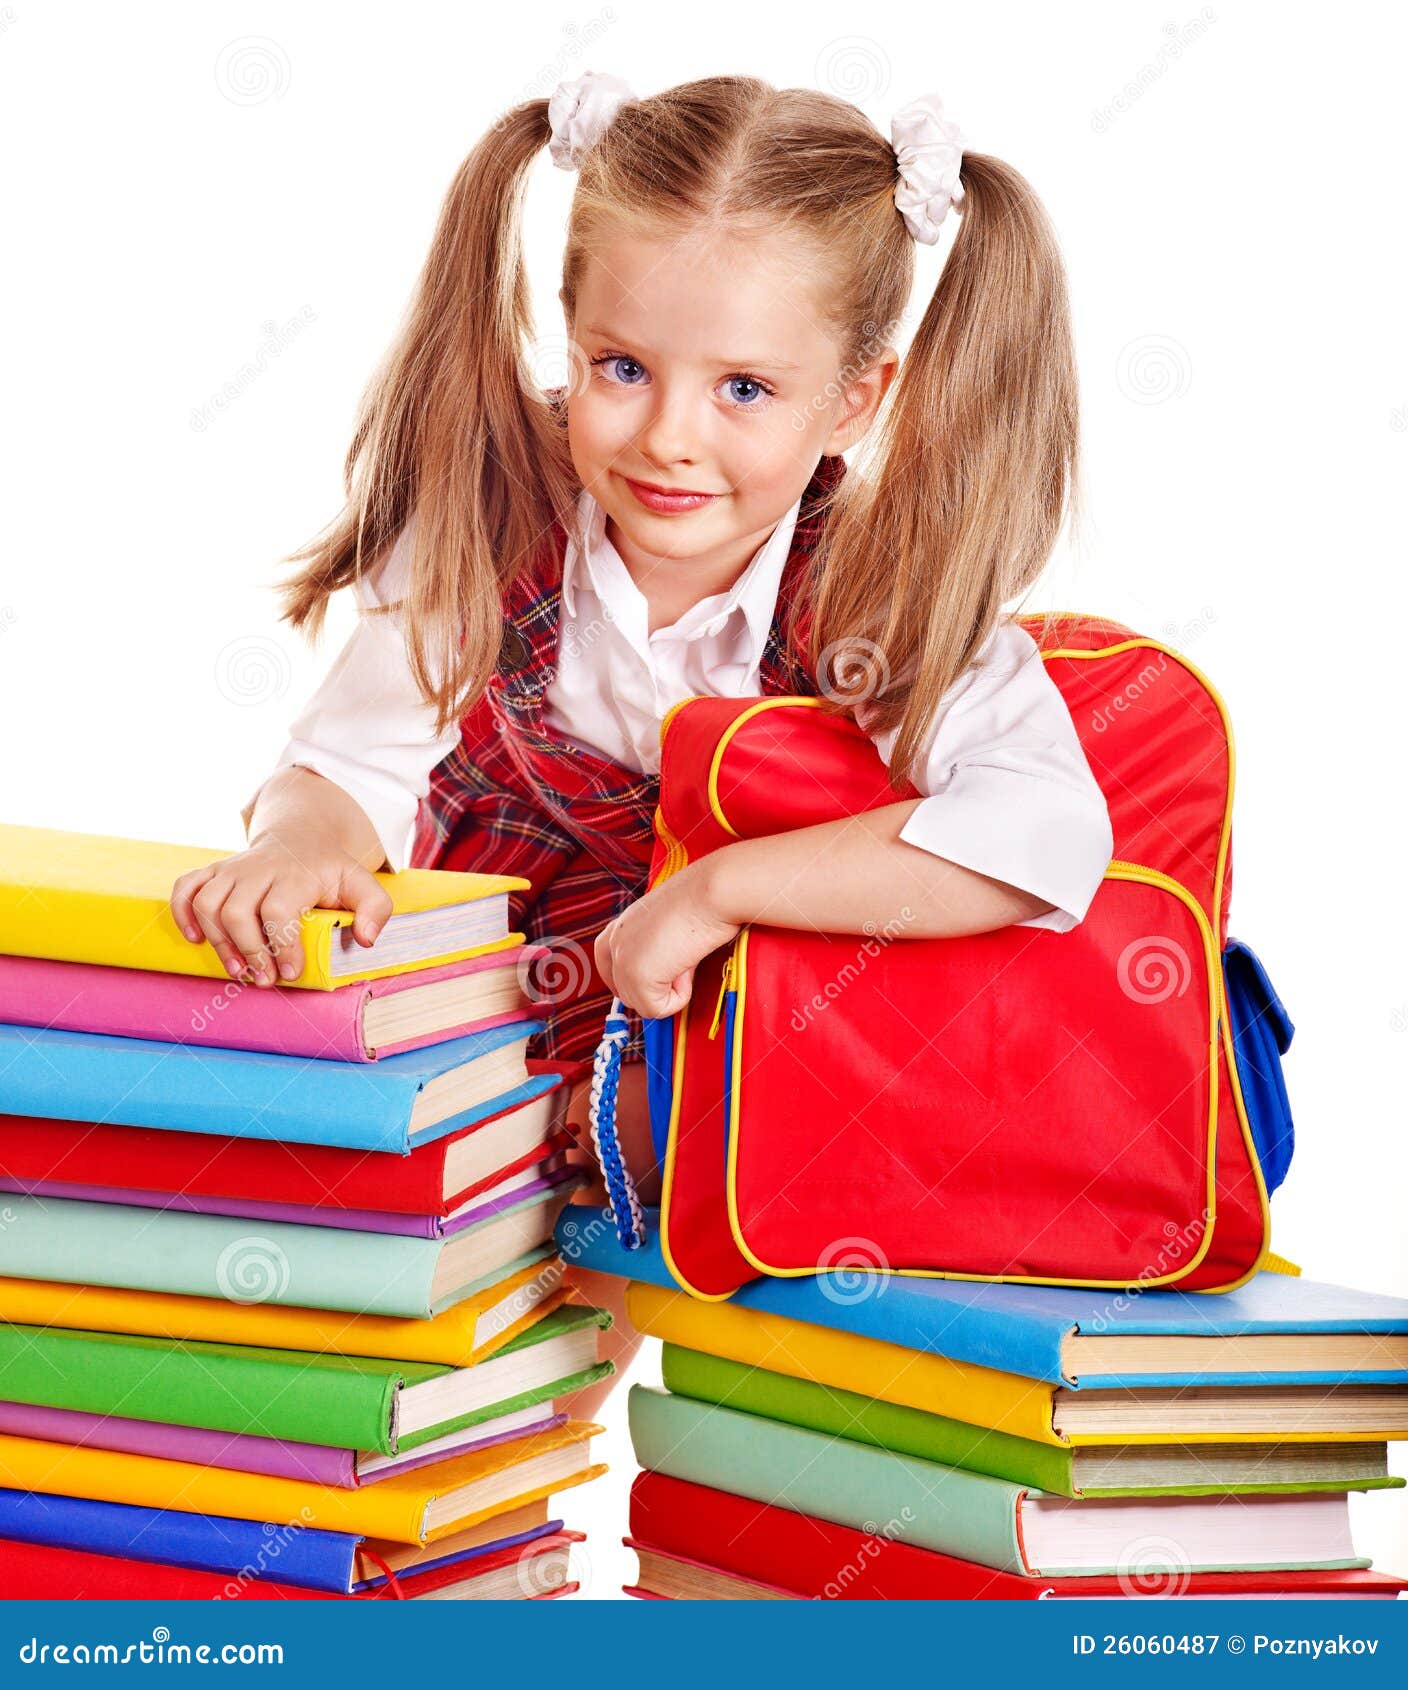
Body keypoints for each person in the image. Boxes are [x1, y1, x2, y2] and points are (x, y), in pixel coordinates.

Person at [170, 72, 1114, 1404]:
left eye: (744, 387)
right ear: (571, 326)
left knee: (644, 1407)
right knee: (402, 1383)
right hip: (478, 1040)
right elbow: (354, 765)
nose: (671, 437)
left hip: (732, 1074)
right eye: (623, 367)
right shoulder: (488, 524)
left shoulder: (881, 595)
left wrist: (719, 888)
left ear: (852, 398)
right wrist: (299, 844)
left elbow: (1046, 827)